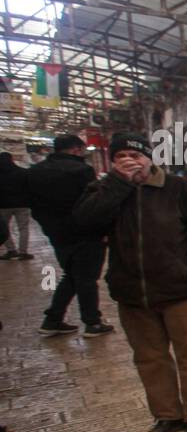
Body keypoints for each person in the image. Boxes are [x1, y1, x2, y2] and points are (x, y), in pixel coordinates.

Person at [73, 133, 187, 432]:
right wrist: (118, 184)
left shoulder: (180, 190)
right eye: (120, 157)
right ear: (112, 163)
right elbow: (83, 224)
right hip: (133, 295)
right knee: (150, 358)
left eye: (135, 154)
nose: (129, 161)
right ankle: (167, 416)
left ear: (150, 157)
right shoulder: (107, 190)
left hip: (182, 292)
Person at [27, 135, 114, 337]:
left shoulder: (35, 172)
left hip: (57, 234)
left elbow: (33, 205)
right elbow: (94, 204)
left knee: (73, 275)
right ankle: (92, 322)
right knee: (87, 278)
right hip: (86, 232)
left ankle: (53, 319)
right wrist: (105, 230)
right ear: (76, 149)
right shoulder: (82, 171)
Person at [0, 150, 33, 260]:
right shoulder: (23, 172)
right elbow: (29, 188)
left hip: (3, 205)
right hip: (22, 204)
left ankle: (11, 250)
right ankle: (23, 252)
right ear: (12, 159)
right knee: (23, 228)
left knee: (4, 228)